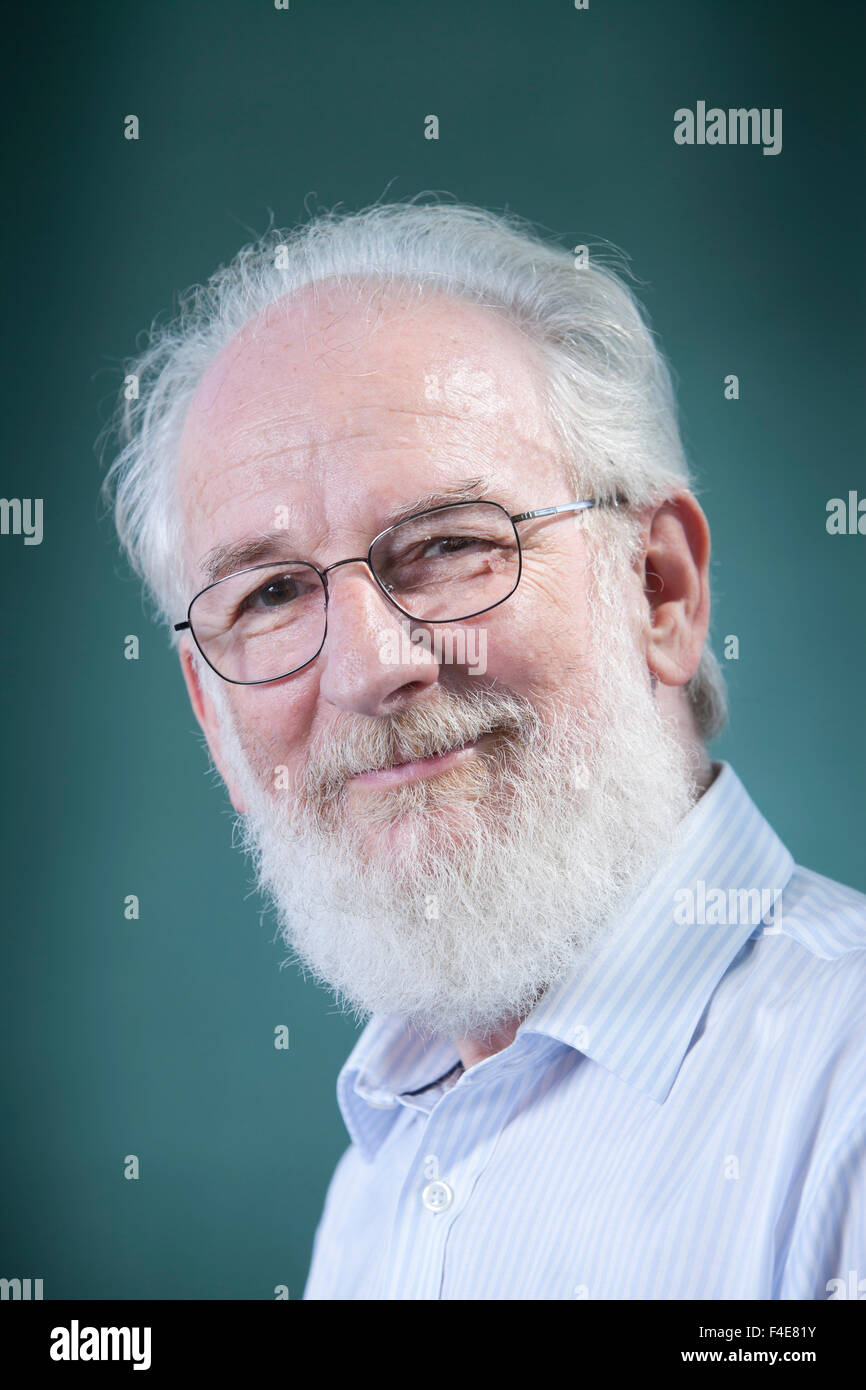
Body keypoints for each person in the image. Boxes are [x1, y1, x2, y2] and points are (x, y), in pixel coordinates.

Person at [102, 199, 866, 1299]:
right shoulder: (375, 1185)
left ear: (658, 588)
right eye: (269, 594)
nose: (369, 667)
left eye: (451, 544)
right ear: (211, 714)